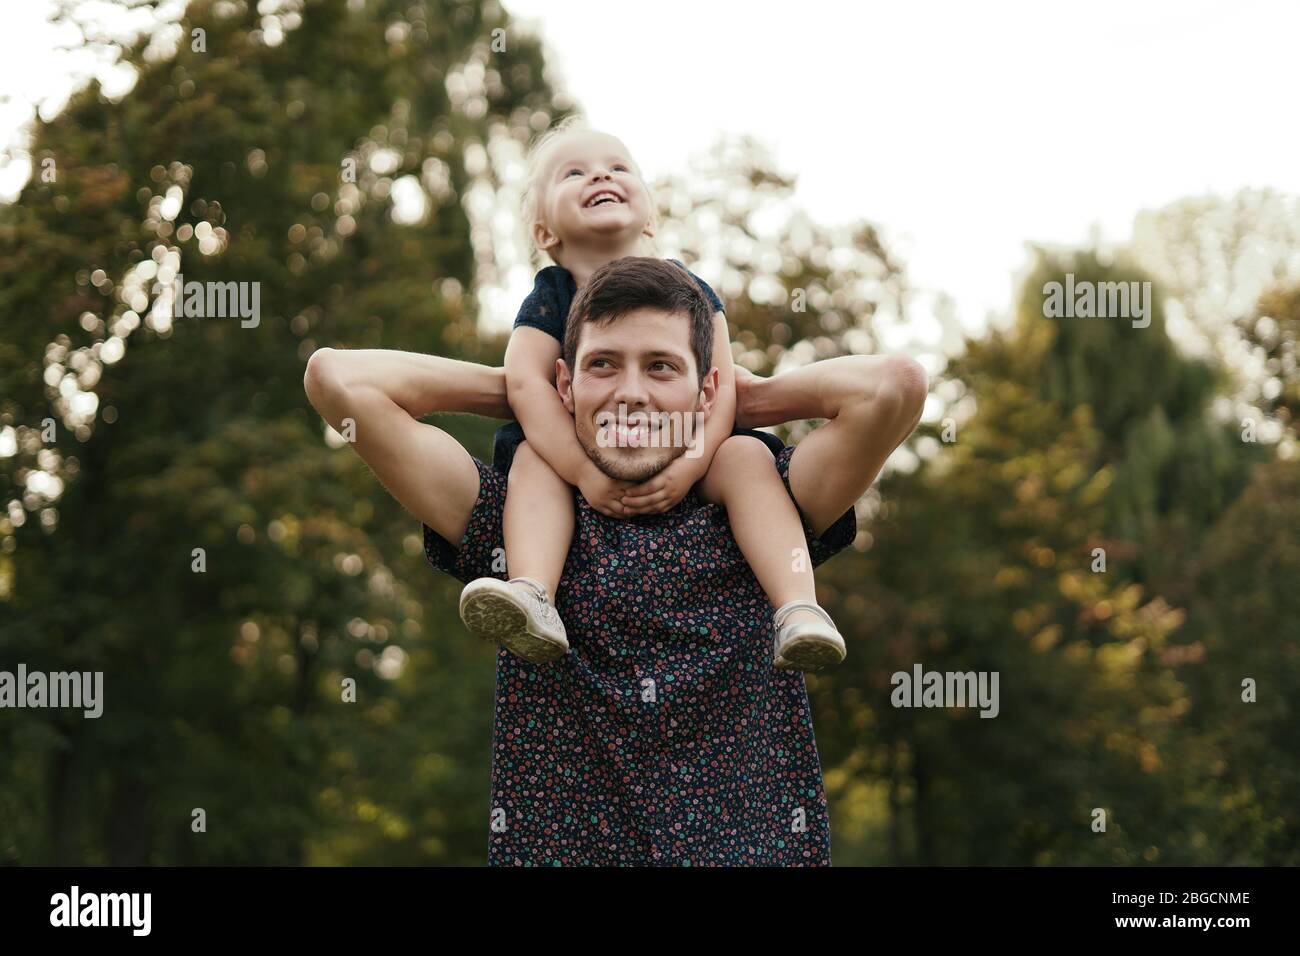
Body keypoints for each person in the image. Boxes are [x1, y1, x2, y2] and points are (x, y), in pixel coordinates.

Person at [303, 256, 927, 865]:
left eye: (660, 366)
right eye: (603, 365)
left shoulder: (762, 508)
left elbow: (892, 386)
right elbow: (338, 380)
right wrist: (527, 393)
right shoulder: (522, 520)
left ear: (708, 387)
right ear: (566, 382)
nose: (630, 393)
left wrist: (738, 403)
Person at [456, 120, 857, 671]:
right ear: (545, 230)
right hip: (585, 450)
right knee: (531, 456)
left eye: (619, 167)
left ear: (650, 213)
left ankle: (798, 608)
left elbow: (720, 389)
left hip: (684, 443)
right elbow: (526, 382)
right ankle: (534, 593)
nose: (600, 173)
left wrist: (692, 465)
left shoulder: (684, 290)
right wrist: (582, 470)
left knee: (746, 457)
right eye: (574, 173)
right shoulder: (551, 295)